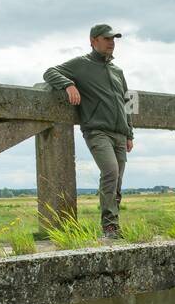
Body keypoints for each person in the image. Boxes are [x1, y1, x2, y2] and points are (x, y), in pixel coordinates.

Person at [43, 24, 134, 239]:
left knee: (117, 180)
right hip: (97, 131)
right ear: (93, 41)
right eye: (107, 38)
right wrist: (68, 85)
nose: (112, 42)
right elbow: (49, 72)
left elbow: (127, 101)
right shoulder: (81, 64)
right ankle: (109, 228)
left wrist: (130, 132)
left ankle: (114, 226)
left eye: (114, 39)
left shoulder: (118, 71)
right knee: (110, 172)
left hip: (120, 133)